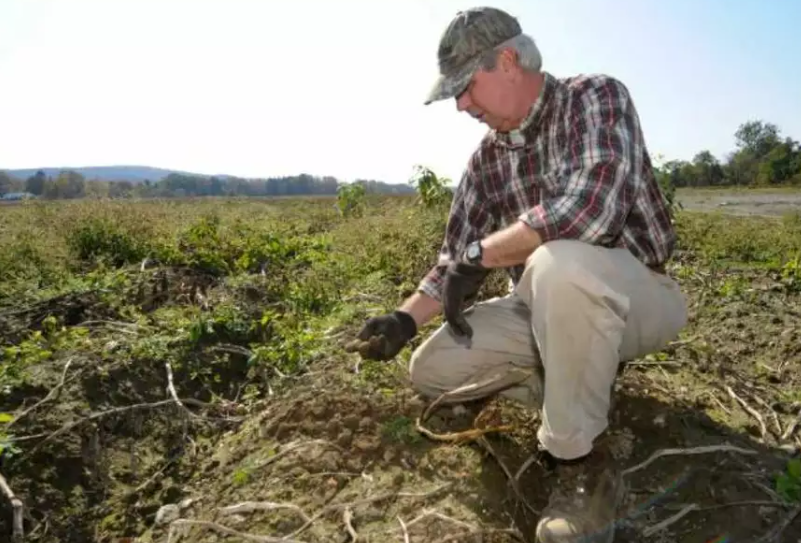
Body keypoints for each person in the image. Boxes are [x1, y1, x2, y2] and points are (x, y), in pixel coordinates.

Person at [348, 6, 688, 543]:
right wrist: (404, 320)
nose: (460, 105)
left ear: (508, 62)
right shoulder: (486, 162)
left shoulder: (595, 98)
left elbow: (591, 211)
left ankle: (582, 468)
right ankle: (571, 383)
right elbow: (453, 259)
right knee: (431, 371)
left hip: (638, 297)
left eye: (465, 87)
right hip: (544, 307)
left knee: (562, 262)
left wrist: (482, 253)